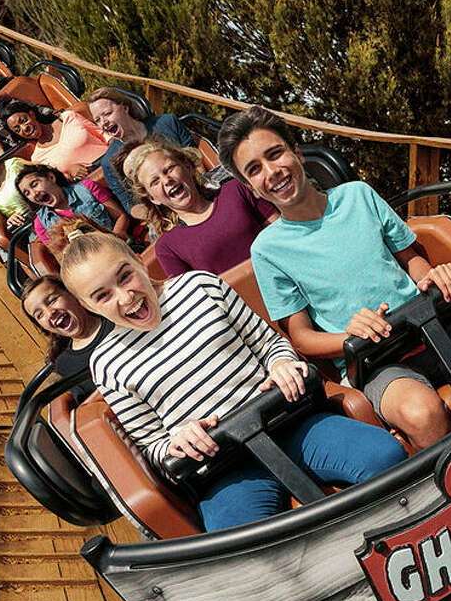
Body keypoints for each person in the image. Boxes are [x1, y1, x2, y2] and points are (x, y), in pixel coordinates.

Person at [219, 106, 451, 450]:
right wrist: (349, 335)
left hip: (433, 326)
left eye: (275, 154)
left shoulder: (358, 195)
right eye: (254, 169)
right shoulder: (268, 250)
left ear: (297, 152)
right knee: (423, 413)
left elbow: (411, 260)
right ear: (251, 188)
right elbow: (302, 337)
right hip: (377, 362)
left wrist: (433, 277)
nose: (271, 172)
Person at [60, 231, 406, 532]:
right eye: (103, 296)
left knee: (383, 455)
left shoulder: (200, 287)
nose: (125, 297)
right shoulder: (108, 364)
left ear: (139, 262)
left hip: (288, 425)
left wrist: (282, 364)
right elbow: (152, 446)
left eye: (125, 277)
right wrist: (177, 442)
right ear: (88, 306)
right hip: (226, 468)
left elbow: (270, 345)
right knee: (244, 544)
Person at [124, 139, 274, 278]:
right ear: (152, 198)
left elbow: (281, 230)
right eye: (155, 181)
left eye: (169, 169)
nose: (167, 180)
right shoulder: (167, 246)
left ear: (188, 167)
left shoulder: (236, 190)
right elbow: (196, 294)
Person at [84, 86, 197, 210]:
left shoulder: (167, 122)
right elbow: (131, 205)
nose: (103, 122)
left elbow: (195, 160)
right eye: (97, 120)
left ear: (125, 108)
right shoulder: (109, 162)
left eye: (107, 114)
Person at [21, 274, 109, 401]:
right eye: (40, 315)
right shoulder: (64, 365)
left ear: (72, 293)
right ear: (42, 327)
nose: (50, 313)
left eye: (52, 301)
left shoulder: (114, 318)